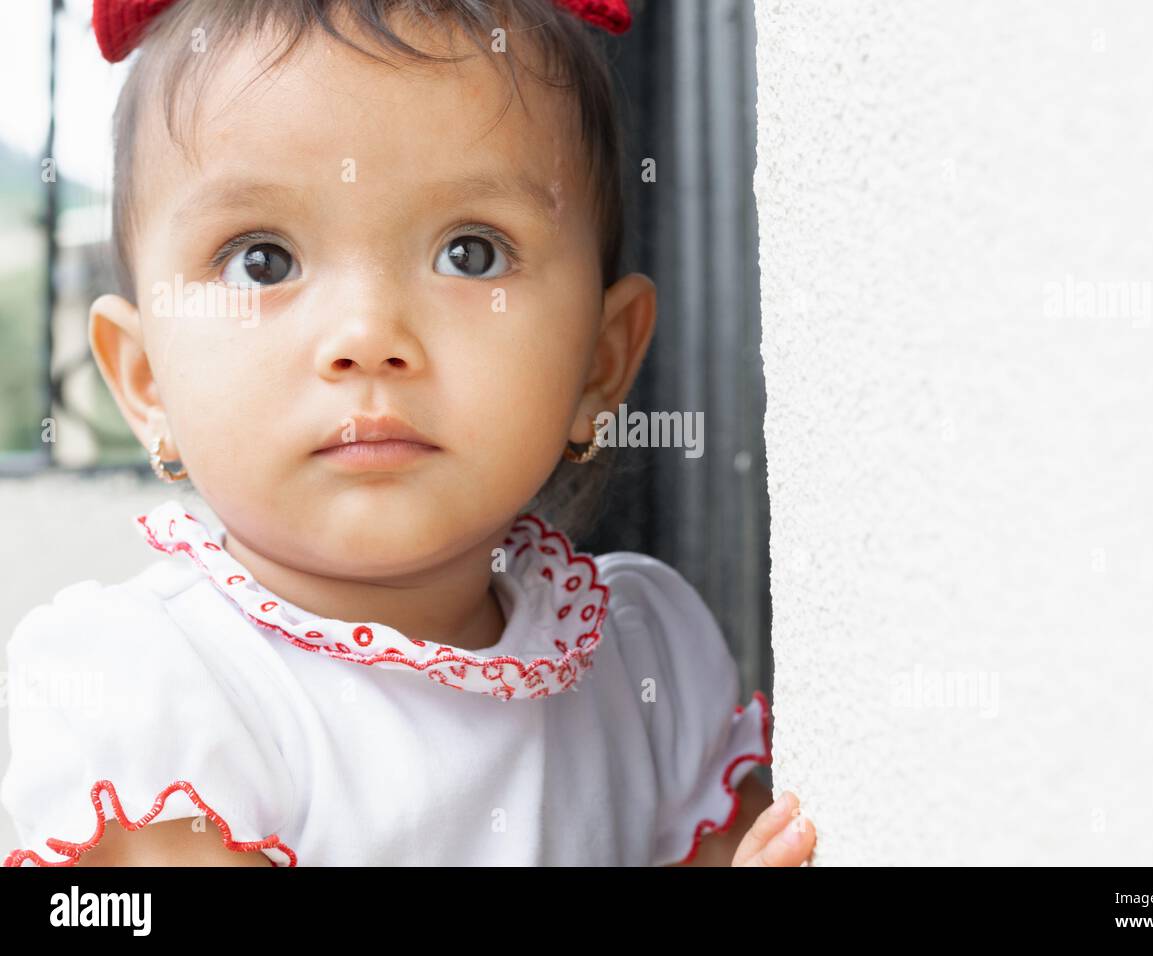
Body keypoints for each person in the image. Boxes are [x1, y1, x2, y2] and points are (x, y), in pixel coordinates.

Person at [1, 0, 815, 867]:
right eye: (262, 260)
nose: (368, 335)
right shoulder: (157, 689)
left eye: (471, 252)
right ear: (144, 379)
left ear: (599, 364)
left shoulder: (645, 662)